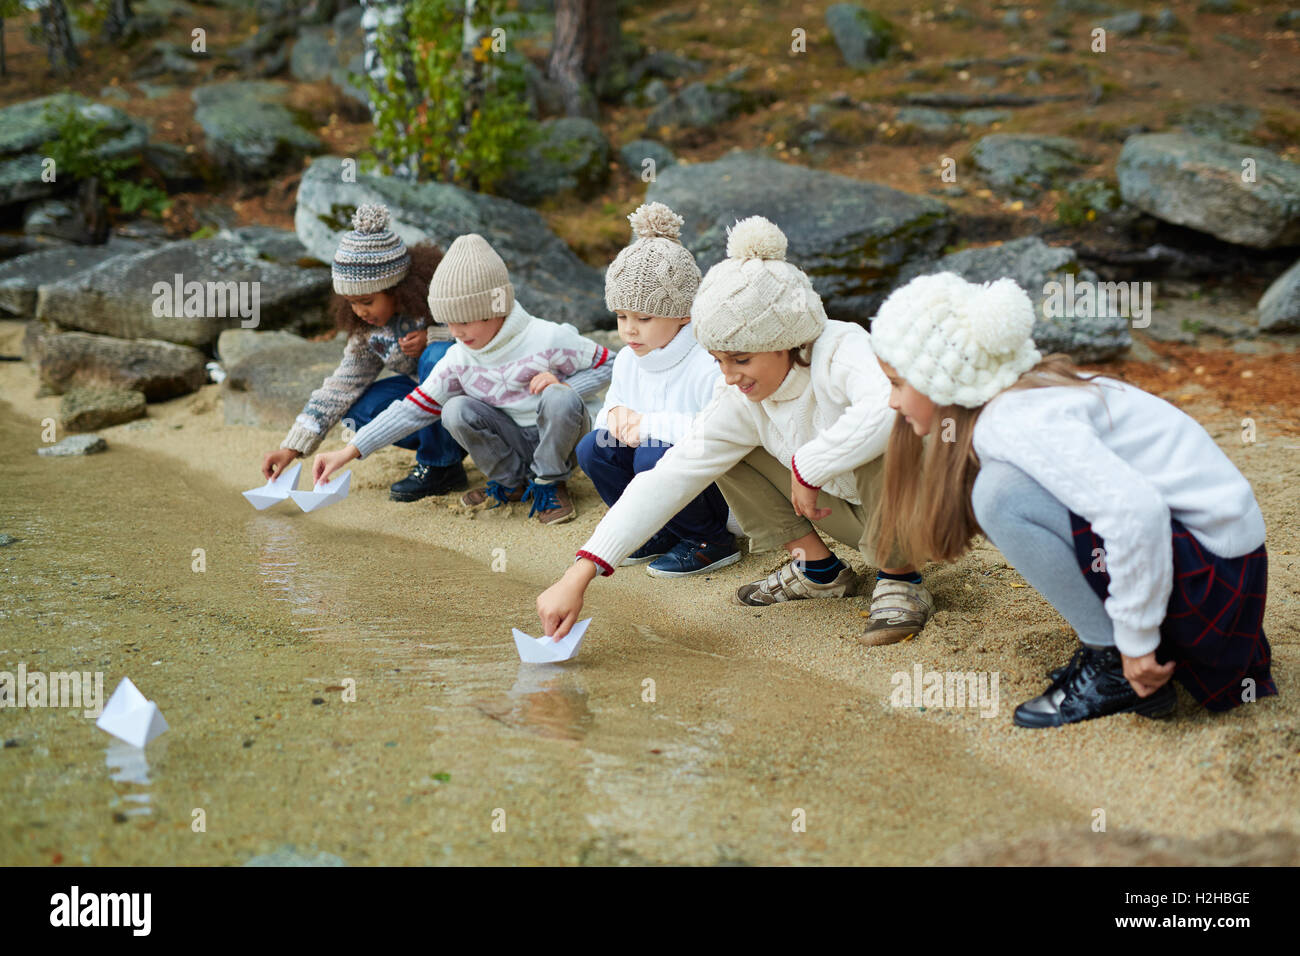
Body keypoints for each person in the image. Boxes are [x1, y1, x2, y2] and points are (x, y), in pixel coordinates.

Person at [868, 271, 1275, 727]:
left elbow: (1136, 513)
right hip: (1221, 564)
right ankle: (1115, 645)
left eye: (898, 383)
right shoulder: (1029, 393)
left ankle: (1113, 665)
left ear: (941, 378)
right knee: (1007, 487)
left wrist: (1136, 642)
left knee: (1001, 495)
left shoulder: (1015, 420)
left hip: (1214, 580)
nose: (891, 402)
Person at [536, 215, 931, 643]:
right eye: (719, 360)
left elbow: (889, 412)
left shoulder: (843, 348)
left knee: (891, 433)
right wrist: (581, 572)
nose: (728, 376)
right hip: (848, 512)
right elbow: (669, 478)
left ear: (786, 339)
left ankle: (901, 579)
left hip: (924, 514)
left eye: (740, 359)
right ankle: (817, 570)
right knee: (719, 448)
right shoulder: (741, 398)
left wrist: (808, 467)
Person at [313, 232, 613, 525]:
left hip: (560, 441)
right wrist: (348, 451)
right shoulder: (459, 357)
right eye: (449, 322)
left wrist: (566, 386)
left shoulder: (547, 336)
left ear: (496, 307)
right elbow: (410, 410)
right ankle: (512, 483)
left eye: (464, 322)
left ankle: (550, 484)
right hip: (510, 438)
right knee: (455, 409)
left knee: (559, 397)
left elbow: (612, 363)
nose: (455, 332)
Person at [259, 203, 467, 501]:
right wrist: (290, 448)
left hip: (472, 400)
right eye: (352, 302)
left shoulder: (440, 297)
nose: (360, 311)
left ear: (397, 288)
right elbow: (340, 387)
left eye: (367, 301)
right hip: (428, 404)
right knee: (355, 407)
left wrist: (433, 337)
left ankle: (439, 464)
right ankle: (448, 445)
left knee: (436, 356)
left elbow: (487, 333)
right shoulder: (369, 332)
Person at [576, 201, 737, 577]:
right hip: (657, 464)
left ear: (684, 313)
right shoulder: (632, 357)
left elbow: (719, 431)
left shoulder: (707, 360)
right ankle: (659, 528)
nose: (629, 329)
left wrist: (647, 425)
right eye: (621, 316)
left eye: (644, 318)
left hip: (715, 487)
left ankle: (708, 541)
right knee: (594, 447)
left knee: (652, 454)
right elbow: (616, 402)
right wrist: (613, 416)